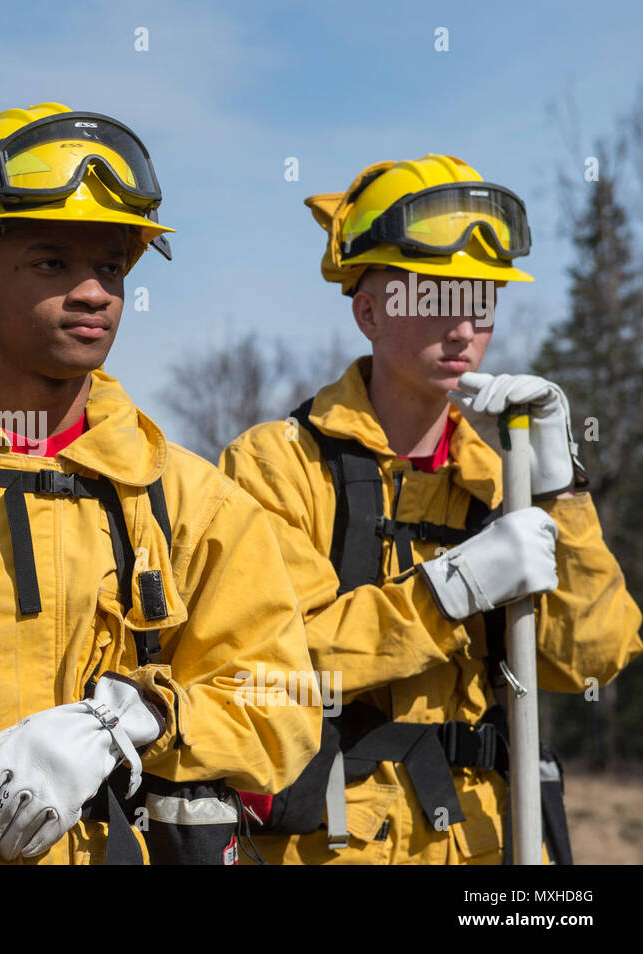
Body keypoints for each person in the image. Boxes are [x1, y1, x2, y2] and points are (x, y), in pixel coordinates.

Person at [0, 103, 322, 865]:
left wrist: (135, 721)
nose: (93, 292)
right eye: (51, 262)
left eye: (111, 268)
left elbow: (281, 704)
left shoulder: (188, 500)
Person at [219, 153, 643, 864]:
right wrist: (450, 591)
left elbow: (591, 663)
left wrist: (560, 490)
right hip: (331, 846)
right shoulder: (277, 464)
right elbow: (274, 662)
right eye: (433, 299)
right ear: (368, 312)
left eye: (480, 301)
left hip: (486, 843)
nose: (463, 329)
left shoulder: (501, 482)